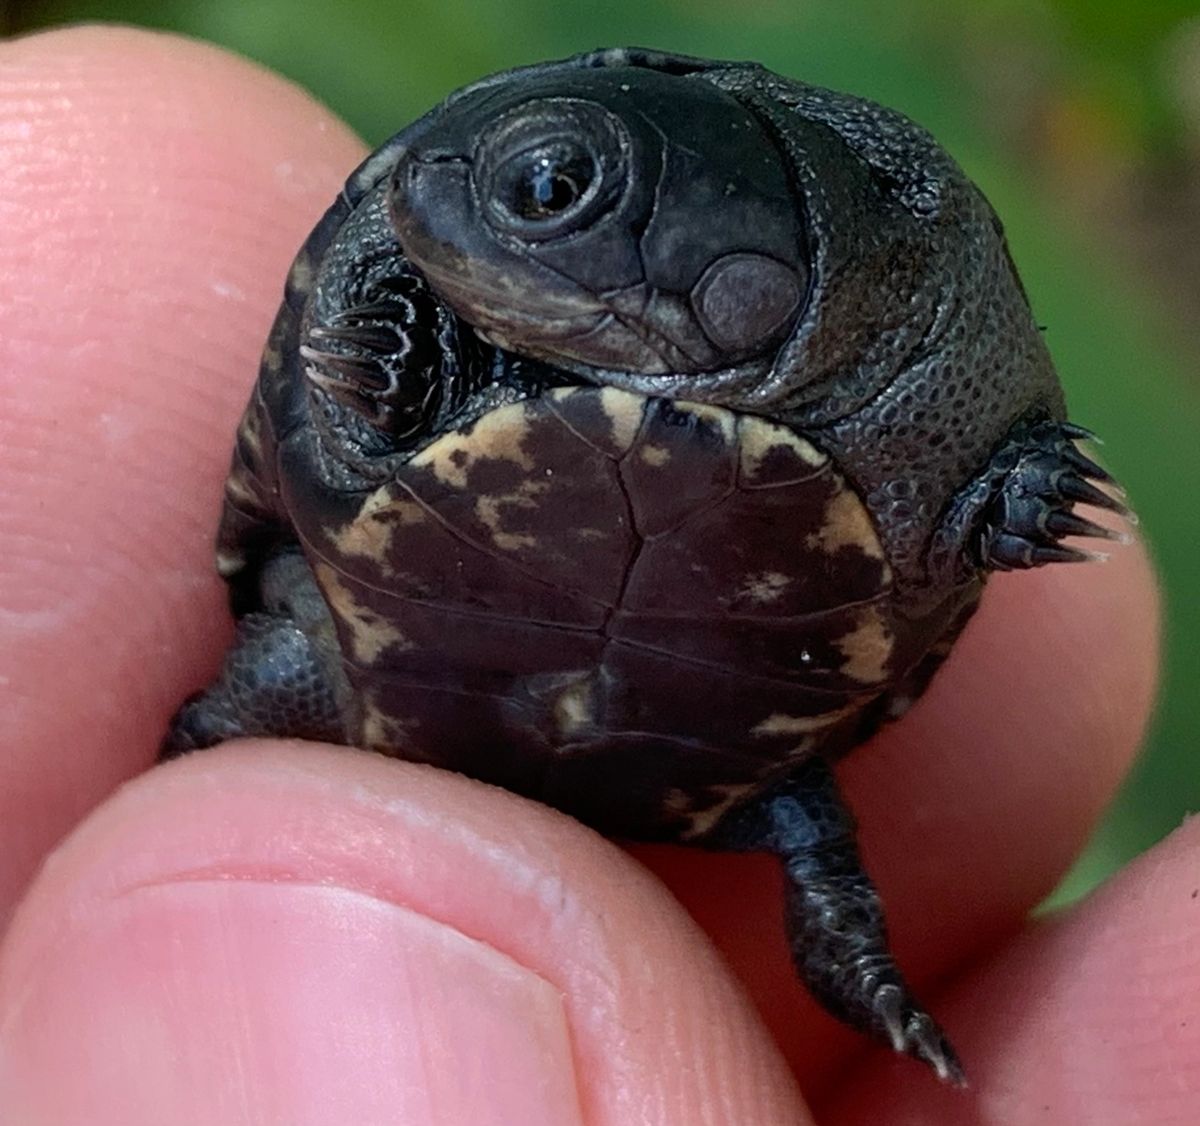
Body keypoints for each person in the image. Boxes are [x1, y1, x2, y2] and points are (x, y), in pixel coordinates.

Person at [0, 25, 1185, 1125]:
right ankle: (166, 900)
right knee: (233, 729)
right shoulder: (444, 304)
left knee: (800, 817)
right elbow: (343, 376)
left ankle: (865, 977)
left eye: (552, 189)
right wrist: (363, 368)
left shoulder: (908, 330)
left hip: (726, 747)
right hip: (350, 658)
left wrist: (1002, 489)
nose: (440, 199)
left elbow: (978, 476)